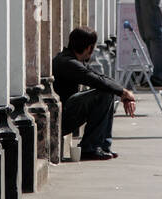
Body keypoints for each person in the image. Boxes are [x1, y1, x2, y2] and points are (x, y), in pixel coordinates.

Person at [52, 26, 136, 160]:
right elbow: (94, 79)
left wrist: (123, 93)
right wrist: (123, 92)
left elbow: (101, 77)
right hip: (61, 117)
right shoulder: (67, 62)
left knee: (107, 90)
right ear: (89, 48)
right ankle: (90, 147)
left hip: (66, 113)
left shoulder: (73, 60)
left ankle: (102, 145)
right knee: (104, 94)